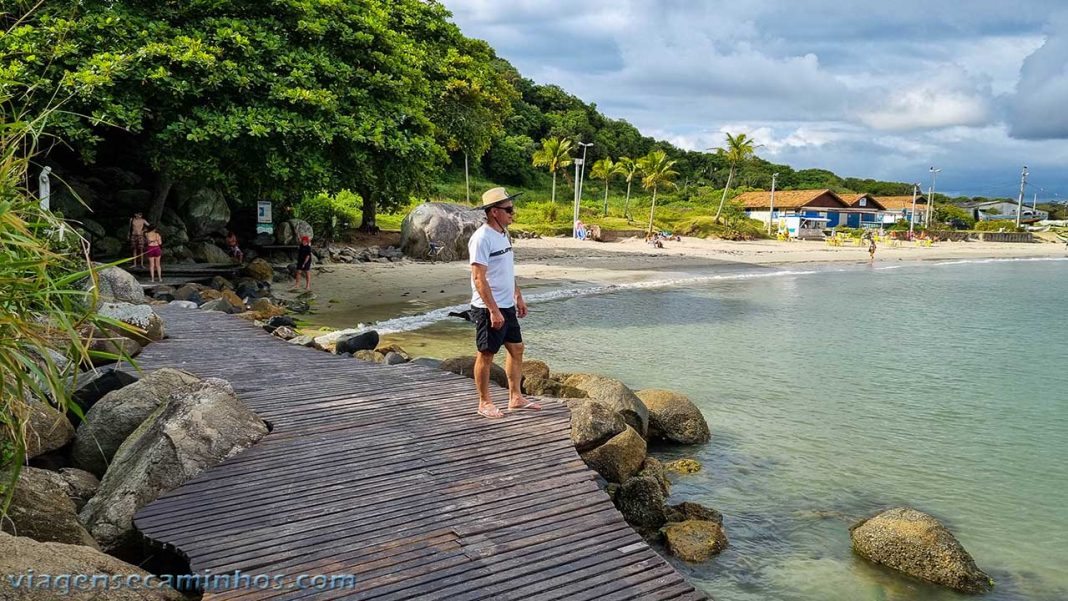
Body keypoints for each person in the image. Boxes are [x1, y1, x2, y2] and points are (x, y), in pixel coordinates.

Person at [469, 187, 539, 419]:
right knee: (486, 354)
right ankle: (484, 402)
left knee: (516, 348)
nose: (513, 213)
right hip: (488, 307)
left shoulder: (503, 234)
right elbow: (478, 277)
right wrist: (493, 310)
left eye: (512, 208)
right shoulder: (481, 238)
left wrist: (518, 295)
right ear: (493, 212)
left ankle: (515, 397)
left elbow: (507, 270)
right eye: (508, 209)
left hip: (506, 304)